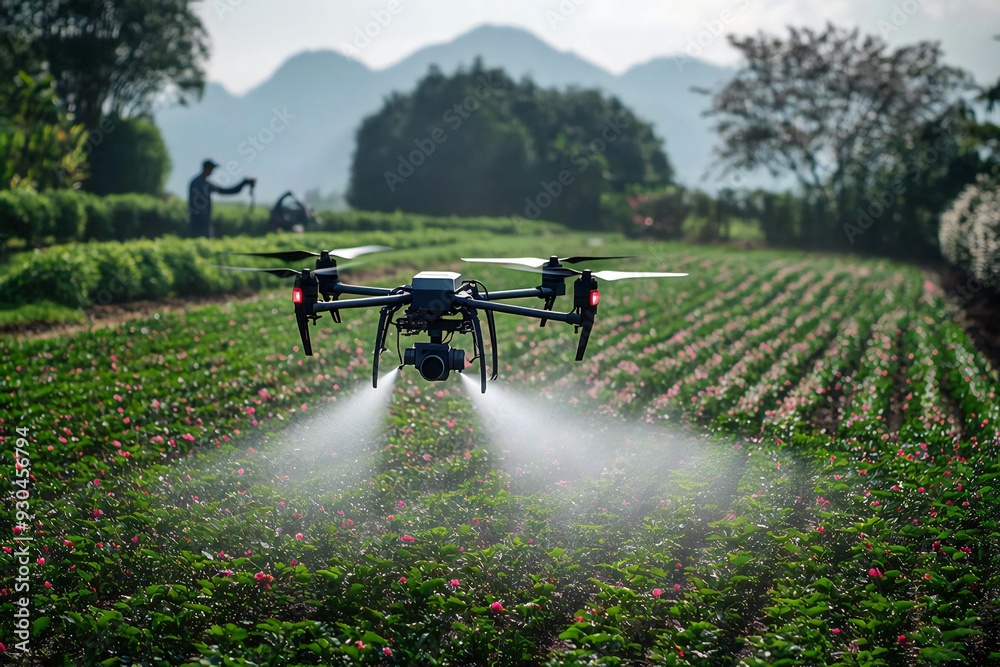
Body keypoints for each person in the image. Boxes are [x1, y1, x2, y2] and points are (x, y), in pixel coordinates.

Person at [188, 160, 255, 238]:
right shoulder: (200, 183)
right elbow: (225, 191)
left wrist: (243, 183)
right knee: (201, 240)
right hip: (200, 222)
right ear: (207, 168)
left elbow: (226, 191)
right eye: (212, 169)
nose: (212, 171)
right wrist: (243, 183)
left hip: (201, 221)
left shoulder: (199, 182)